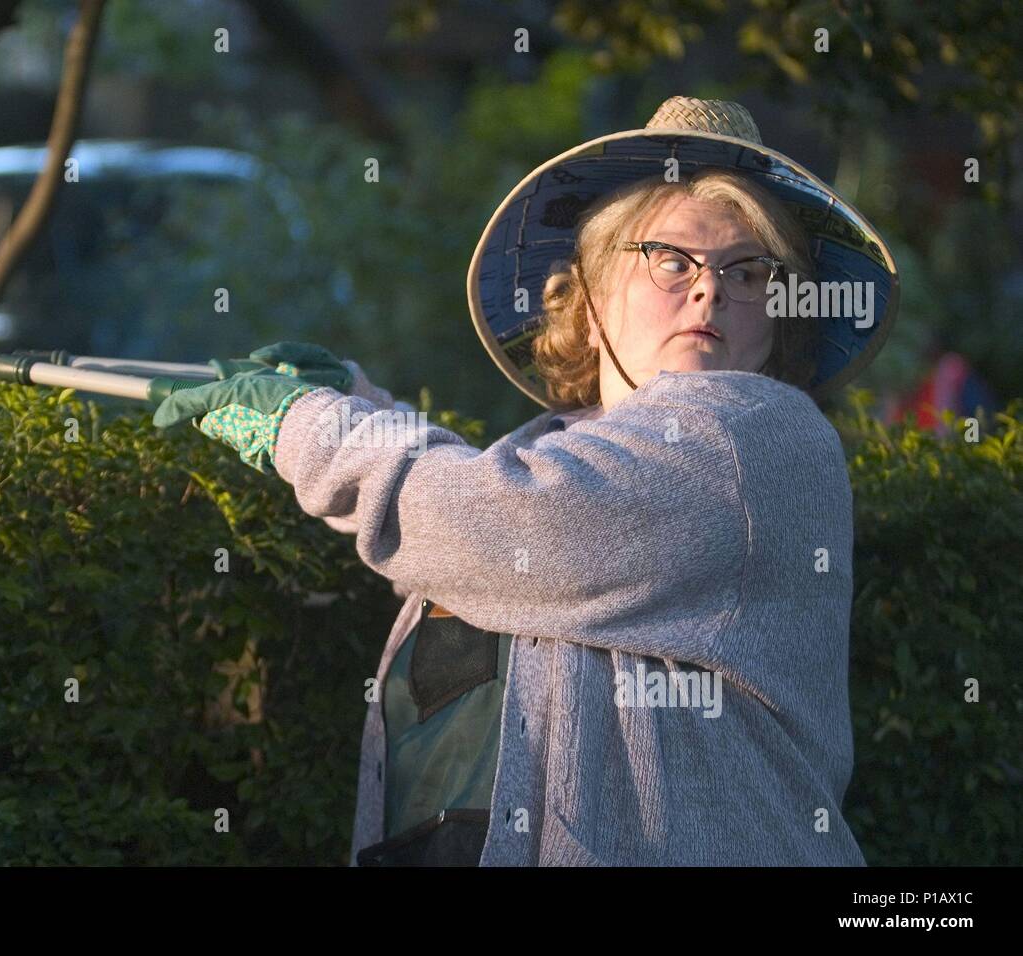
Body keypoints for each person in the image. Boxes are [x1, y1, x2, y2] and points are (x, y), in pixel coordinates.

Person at [152, 95, 901, 866]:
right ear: (593, 290)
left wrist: (304, 427)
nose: (709, 289)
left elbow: (509, 520)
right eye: (672, 260)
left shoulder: (761, 434)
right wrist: (354, 402)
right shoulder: (562, 449)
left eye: (749, 272)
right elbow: (481, 519)